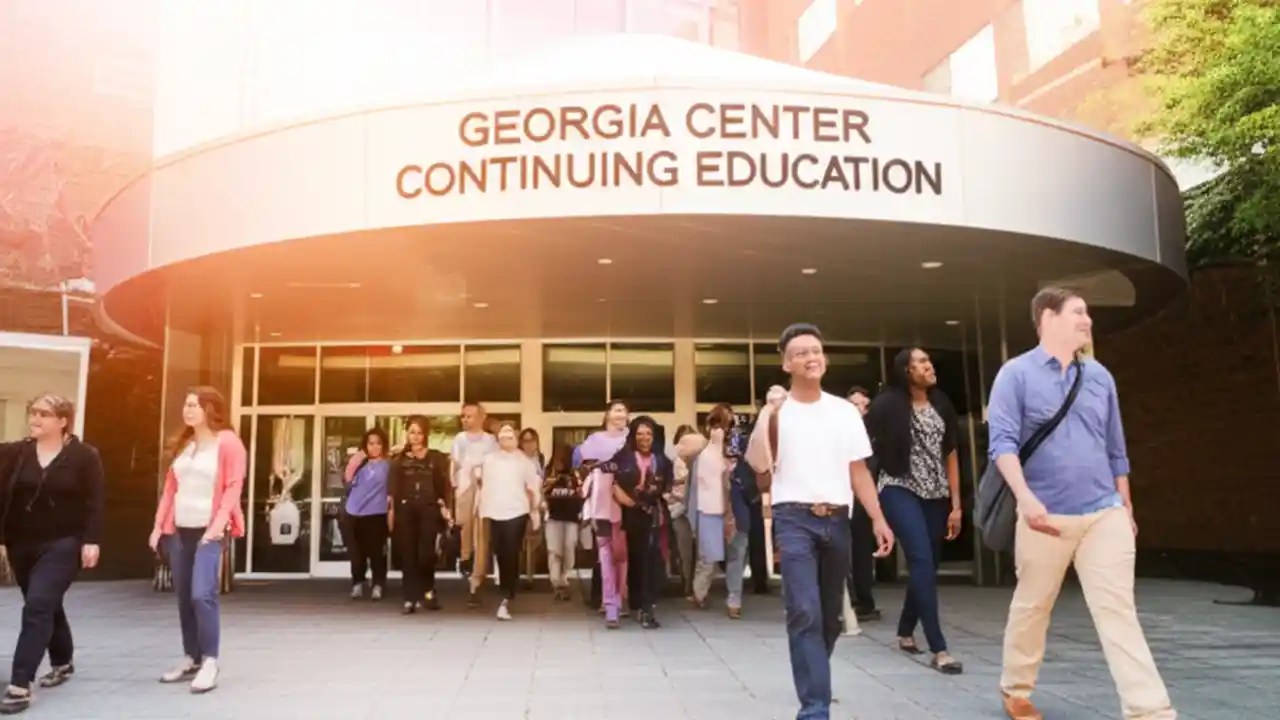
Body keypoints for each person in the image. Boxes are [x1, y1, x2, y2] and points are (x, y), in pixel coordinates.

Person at [988, 288, 1175, 720]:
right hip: (1043, 515)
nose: (1087, 320)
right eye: (1078, 312)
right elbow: (1002, 444)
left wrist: (1124, 506)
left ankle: (1150, 710)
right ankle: (1016, 688)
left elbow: (1116, 448)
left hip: (1102, 512)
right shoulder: (1015, 375)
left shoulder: (1100, 377)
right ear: (1046, 317)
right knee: (1033, 605)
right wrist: (1026, 499)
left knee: (1118, 611)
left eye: (1088, 312)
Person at [746, 324, 894, 720]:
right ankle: (815, 709)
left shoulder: (844, 411)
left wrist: (878, 518)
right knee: (804, 611)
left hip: (838, 520)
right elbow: (760, 466)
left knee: (828, 617)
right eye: (800, 352)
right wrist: (769, 414)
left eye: (816, 350)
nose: (811, 357)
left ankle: (815, 677)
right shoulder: (776, 412)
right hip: (793, 518)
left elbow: (858, 470)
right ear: (785, 363)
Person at [0, 394, 103, 714]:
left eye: (44, 413)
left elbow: (95, 501)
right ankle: (63, 660)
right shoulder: (17, 452)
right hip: (22, 543)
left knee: (38, 605)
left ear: (62, 421)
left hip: (64, 542)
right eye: (33, 412)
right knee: (45, 603)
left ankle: (20, 683)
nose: (35, 418)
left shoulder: (84, 456)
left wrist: (92, 540)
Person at [864, 350, 964, 674]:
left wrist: (956, 504)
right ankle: (939, 647)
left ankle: (906, 629)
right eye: (920, 362)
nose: (929, 366)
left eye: (930, 361)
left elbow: (950, 454)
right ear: (906, 370)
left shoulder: (942, 404)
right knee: (920, 558)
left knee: (928, 564)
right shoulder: (886, 405)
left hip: (936, 494)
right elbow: (863, 449)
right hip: (898, 487)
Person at [149, 387, 246, 695]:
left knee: (201, 594)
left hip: (209, 530)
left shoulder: (228, 442)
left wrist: (216, 528)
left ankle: (210, 661)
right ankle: (191, 657)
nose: (187, 410)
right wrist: (158, 528)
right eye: (186, 404)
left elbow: (233, 487)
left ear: (209, 408)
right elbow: (170, 490)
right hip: (179, 530)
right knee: (183, 598)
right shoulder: (184, 444)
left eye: (194, 405)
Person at [606, 416, 672, 629]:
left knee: (651, 559)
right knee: (637, 559)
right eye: (640, 434)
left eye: (649, 434)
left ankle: (647, 606)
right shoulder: (623, 457)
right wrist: (634, 504)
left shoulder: (662, 460)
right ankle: (637, 602)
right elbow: (614, 487)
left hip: (654, 515)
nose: (645, 438)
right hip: (632, 515)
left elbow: (668, 488)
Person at [687, 404, 750, 618]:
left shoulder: (740, 450)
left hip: (736, 509)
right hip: (711, 510)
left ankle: (734, 600)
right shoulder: (704, 455)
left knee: (735, 555)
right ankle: (700, 592)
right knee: (709, 557)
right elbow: (697, 487)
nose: (718, 431)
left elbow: (748, 477)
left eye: (723, 425)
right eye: (714, 425)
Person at [473, 423, 540, 620]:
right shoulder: (489, 459)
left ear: (516, 438)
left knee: (511, 551)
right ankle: (505, 587)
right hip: (494, 512)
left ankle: (507, 596)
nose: (506, 439)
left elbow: (533, 488)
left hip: (517, 511)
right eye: (502, 436)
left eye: (510, 436)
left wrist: (535, 512)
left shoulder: (524, 461)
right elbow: (480, 484)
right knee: (499, 552)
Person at [576, 400, 630, 626]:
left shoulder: (633, 438)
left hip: (625, 501)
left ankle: (622, 597)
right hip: (601, 501)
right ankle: (610, 606)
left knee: (623, 554)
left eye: (624, 411)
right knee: (605, 554)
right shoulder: (594, 440)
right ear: (607, 414)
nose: (620, 414)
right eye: (616, 409)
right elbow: (580, 463)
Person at [389, 415, 450, 614]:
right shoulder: (398, 460)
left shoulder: (435, 458)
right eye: (412, 432)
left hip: (428, 509)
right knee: (408, 555)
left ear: (425, 435)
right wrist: (391, 513)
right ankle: (409, 598)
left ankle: (428, 591)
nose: (415, 437)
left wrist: (445, 506)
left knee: (426, 554)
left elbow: (443, 486)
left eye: (419, 433)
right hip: (405, 510)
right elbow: (392, 490)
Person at [342, 427, 391, 601]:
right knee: (357, 554)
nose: (374, 447)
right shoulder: (360, 463)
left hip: (377, 514)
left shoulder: (388, 465)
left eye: (378, 443)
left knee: (377, 552)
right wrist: (359, 457)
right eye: (370, 443)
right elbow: (347, 478)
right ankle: (357, 583)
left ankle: (378, 584)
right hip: (354, 512)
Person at [844, 386, 879, 622]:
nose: (860, 409)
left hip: (864, 498)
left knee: (862, 551)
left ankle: (863, 600)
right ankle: (849, 598)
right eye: (855, 404)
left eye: (864, 405)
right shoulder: (841, 430)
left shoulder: (874, 433)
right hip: (843, 497)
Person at [451, 403, 498, 580]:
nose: (465, 419)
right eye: (463, 416)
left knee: (482, 530)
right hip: (464, 487)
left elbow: (494, 464)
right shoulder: (459, 439)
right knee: (464, 524)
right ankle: (465, 558)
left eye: (469, 416)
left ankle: (480, 567)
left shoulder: (490, 440)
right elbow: (454, 463)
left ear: (481, 417)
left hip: (484, 489)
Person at [669, 425, 706, 600]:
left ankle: (695, 586)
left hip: (697, 508)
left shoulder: (700, 463)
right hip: (678, 511)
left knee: (699, 551)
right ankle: (687, 586)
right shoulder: (672, 463)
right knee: (685, 552)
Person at [542, 444, 582, 601]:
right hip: (553, 518)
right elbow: (542, 491)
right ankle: (557, 583)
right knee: (554, 551)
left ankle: (564, 577)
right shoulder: (549, 472)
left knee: (569, 550)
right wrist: (550, 483)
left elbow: (582, 493)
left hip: (571, 518)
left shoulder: (575, 475)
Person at [518, 428, 545, 589]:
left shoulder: (539, 459)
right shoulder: (517, 459)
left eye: (532, 440)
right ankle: (518, 574)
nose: (529, 444)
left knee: (533, 542)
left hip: (536, 505)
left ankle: (529, 576)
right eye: (525, 441)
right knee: (519, 542)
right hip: (519, 504)